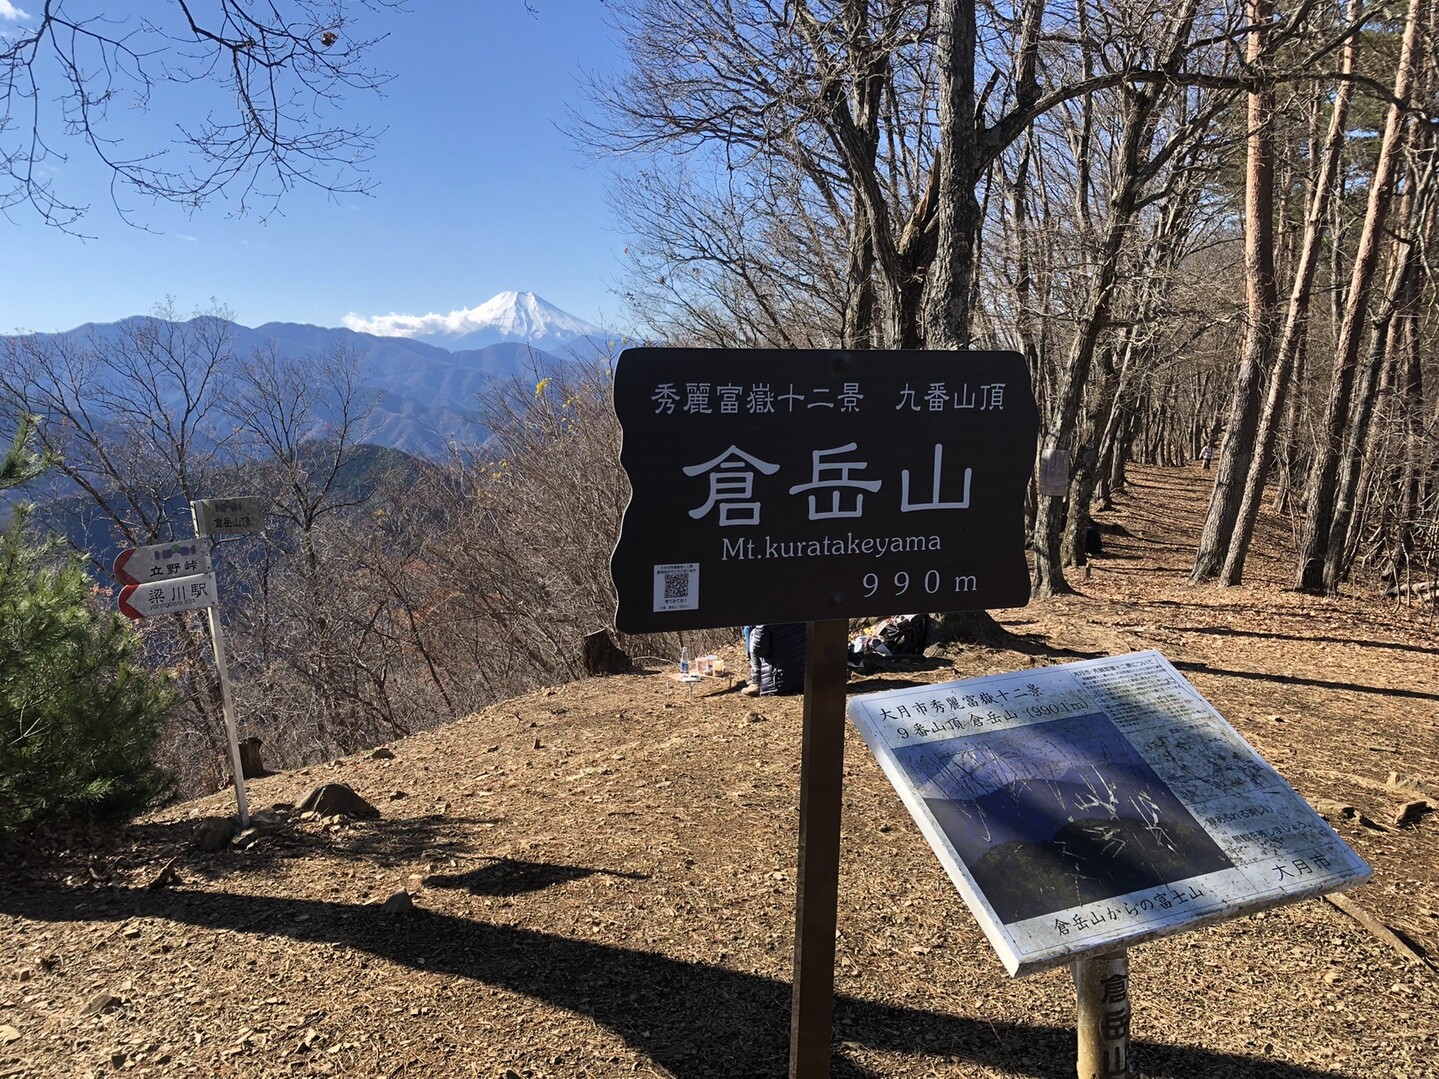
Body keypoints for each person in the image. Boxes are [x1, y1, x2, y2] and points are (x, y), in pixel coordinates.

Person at [743, 623, 806, 696]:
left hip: (779, 681)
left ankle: (756, 682)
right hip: (806, 679)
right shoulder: (808, 613)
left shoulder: (767, 617)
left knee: (753, 633)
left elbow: (760, 651)